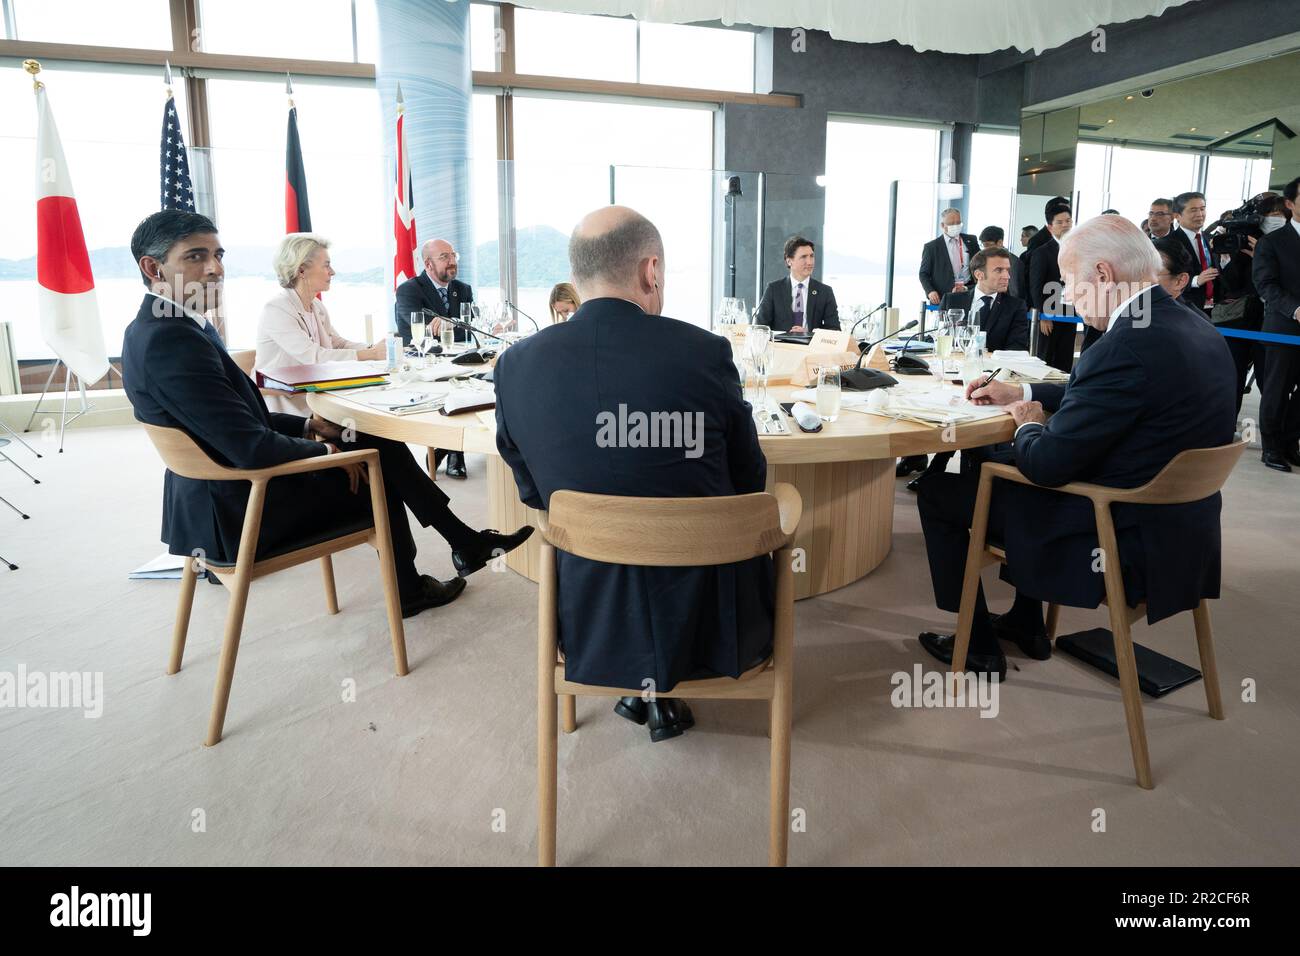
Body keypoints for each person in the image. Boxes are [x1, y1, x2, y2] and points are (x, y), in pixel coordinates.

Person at [122, 210, 532, 620]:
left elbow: (237, 422)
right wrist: (319, 453)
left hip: (223, 494)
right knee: (373, 460)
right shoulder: (172, 341)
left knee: (366, 436)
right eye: (196, 257)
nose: (215, 268)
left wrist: (308, 425)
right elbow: (248, 447)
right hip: (243, 509)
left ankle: (459, 544)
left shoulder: (169, 328)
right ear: (153, 267)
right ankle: (421, 577)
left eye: (218, 254)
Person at [494, 205, 773, 743]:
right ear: (652, 271)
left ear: (576, 277)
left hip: (588, 618)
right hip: (715, 624)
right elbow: (749, 482)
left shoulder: (515, 366)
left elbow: (534, 493)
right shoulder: (705, 353)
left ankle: (633, 681)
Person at [914, 214, 1237, 678]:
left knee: (939, 491)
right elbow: (1117, 397)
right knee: (994, 461)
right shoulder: (1193, 326)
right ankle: (1028, 622)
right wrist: (1022, 394)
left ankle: (977, 644)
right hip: (1181, 524)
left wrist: (1028, 425)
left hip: (1112, 526)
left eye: (1070, 282)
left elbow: (1046, 465)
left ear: (1103, 275)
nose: (1064, 295)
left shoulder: (1121, 347)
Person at [911, 247, 1030, 488]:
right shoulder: (953, 300)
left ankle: (940, 470)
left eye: (1008, 270)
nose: (1007, 275)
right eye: (999, 270)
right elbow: (941, 339)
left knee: (964, 409)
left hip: (989, 379)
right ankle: (919, 459)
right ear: (979, 275)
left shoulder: (1015, 306)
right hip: (952, 374)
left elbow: (1015, 349)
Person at [255, 233, 385, 413]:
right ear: (301, 271)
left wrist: (374, 348)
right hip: (288, 409)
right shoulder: (277, 309)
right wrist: (371, 354)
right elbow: (314, 358)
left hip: (319, 399)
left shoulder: (316, 305)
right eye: (327, 265)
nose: (332, 272)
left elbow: (338, 344)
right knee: (370, 428)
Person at [394, 238, 474, 479]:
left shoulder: (464, 288)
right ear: (428, 264)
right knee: (453, 387)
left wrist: (449, 325)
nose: (452, 262)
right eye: (444, 257)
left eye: (453, 255)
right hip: (423, 361)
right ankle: (454, 452)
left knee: (478, 381)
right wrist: (451, 326)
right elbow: (422, 328)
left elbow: (469, 329)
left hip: (458, 358)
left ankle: (448, 447)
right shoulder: (409, 289)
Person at [1213, 194, 1281, 416]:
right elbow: (1231, 283)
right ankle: (1226, 427)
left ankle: (1276, 439)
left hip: (1273, 324)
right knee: (1232, 379)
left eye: (1279, 215)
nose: (1274, 219)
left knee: (1269, 381)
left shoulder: (1287, 244)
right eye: (1270, 215)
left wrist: (1262, 256)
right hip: (1238, 321)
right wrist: (1228, 257)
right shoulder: (1247, 239)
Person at [1251, 176, 1300, 472]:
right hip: (1285, 328)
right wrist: (1295, 309)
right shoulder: (1272, 243)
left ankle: (1290, 441)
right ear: (1290, 204)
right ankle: (1271, 448)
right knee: (1277, 390)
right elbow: (1265, 285)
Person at [1028, 199, 1076, 372]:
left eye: (1068, 221)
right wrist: (1043, 314)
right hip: (1048, 312)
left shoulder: (1078, 250)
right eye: (1060, 222)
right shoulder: (1042, 252)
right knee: (1046, 358)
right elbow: (1035, 285)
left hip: (1070, 311)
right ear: (1050, 227)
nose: (1065, 225)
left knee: (1065, 358)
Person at [756, 235, 841, 332]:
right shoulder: (774, 289)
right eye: (803, 257)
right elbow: (760, 328)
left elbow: (835, 330)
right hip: (781, 345)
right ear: (789, 261)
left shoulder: (825, 292)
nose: (809, 262)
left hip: (811, 346)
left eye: (811, 256)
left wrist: (809, 334)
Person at [1170, 192, 1221, 315]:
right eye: (1193, 210)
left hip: (1214, 308)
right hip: (1185, 307)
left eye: (1202, 209)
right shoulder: (1170, 242)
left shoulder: (1209, 238)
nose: (1199, 214)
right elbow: (1166, 278)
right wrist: (1195, 281)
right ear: (1177, 215)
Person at [919, 208, 979, 306]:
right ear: (943, 225)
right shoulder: (932, 247)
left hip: (969, 292)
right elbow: (923, 274)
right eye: (951, 223)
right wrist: (930, 291)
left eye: (958, 222)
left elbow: (980, 265)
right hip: (944, 296)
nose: (955, 226)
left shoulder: (971, 240)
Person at [978, 226, 1024, 300]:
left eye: (988, 245)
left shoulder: (1011, 261)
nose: (985, 249)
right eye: (983, 245)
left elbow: (1014, 291)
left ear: (1000, 243)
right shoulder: (988, 258)